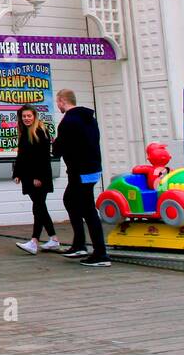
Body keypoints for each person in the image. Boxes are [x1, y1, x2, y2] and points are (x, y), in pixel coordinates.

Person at [51, 88, 110, 267]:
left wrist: (55, 143)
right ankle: (79, 244)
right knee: (70, 200)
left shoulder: (68, 122)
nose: (58, 105)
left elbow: (59, 150)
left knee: (87, 210)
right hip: (92, 168)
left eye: (58, 102)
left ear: (62, 101)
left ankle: (101, 254)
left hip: (79, 170)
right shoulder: (89, 119)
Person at [11, 105, 60, 254]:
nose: (26, 118)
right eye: (24, 116)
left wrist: (39, 177)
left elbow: (43, 157)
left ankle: (34, 241)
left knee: (38, 207)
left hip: (38, 177)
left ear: (34, 116)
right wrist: (17, 173)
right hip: (27, 176)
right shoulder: (24, 132)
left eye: (29, 116)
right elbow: (22, 155)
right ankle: (53, 239)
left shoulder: (40, 131)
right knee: (39, 207)